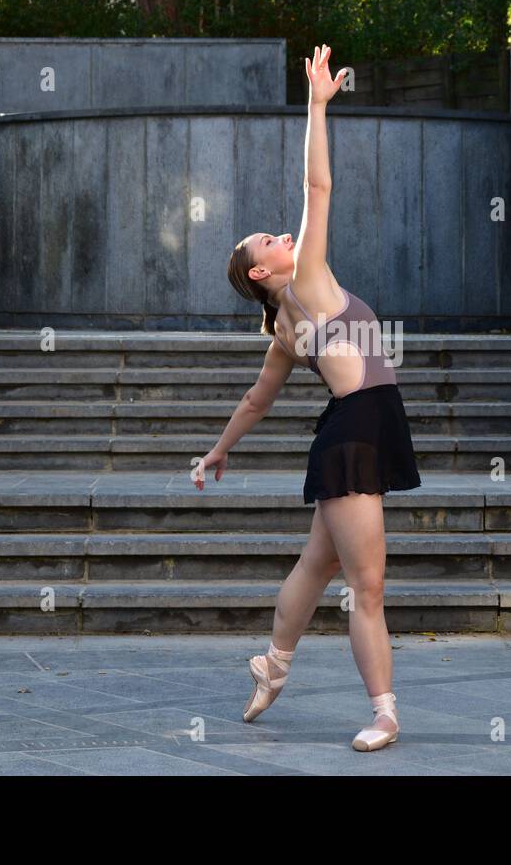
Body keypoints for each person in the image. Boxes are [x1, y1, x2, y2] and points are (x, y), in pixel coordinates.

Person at [191, 44, 421, 752]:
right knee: (368, 583)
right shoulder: (306, 282)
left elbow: (258, 400)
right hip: (355, 431)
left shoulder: (288, 326)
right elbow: (318, 190)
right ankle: (384, 712)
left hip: (361, 427)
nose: (283, 232)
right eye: (270, 238)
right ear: (264, 269)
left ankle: (273, 662)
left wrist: (219, 450)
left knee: (318, 563)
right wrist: (317, 107)